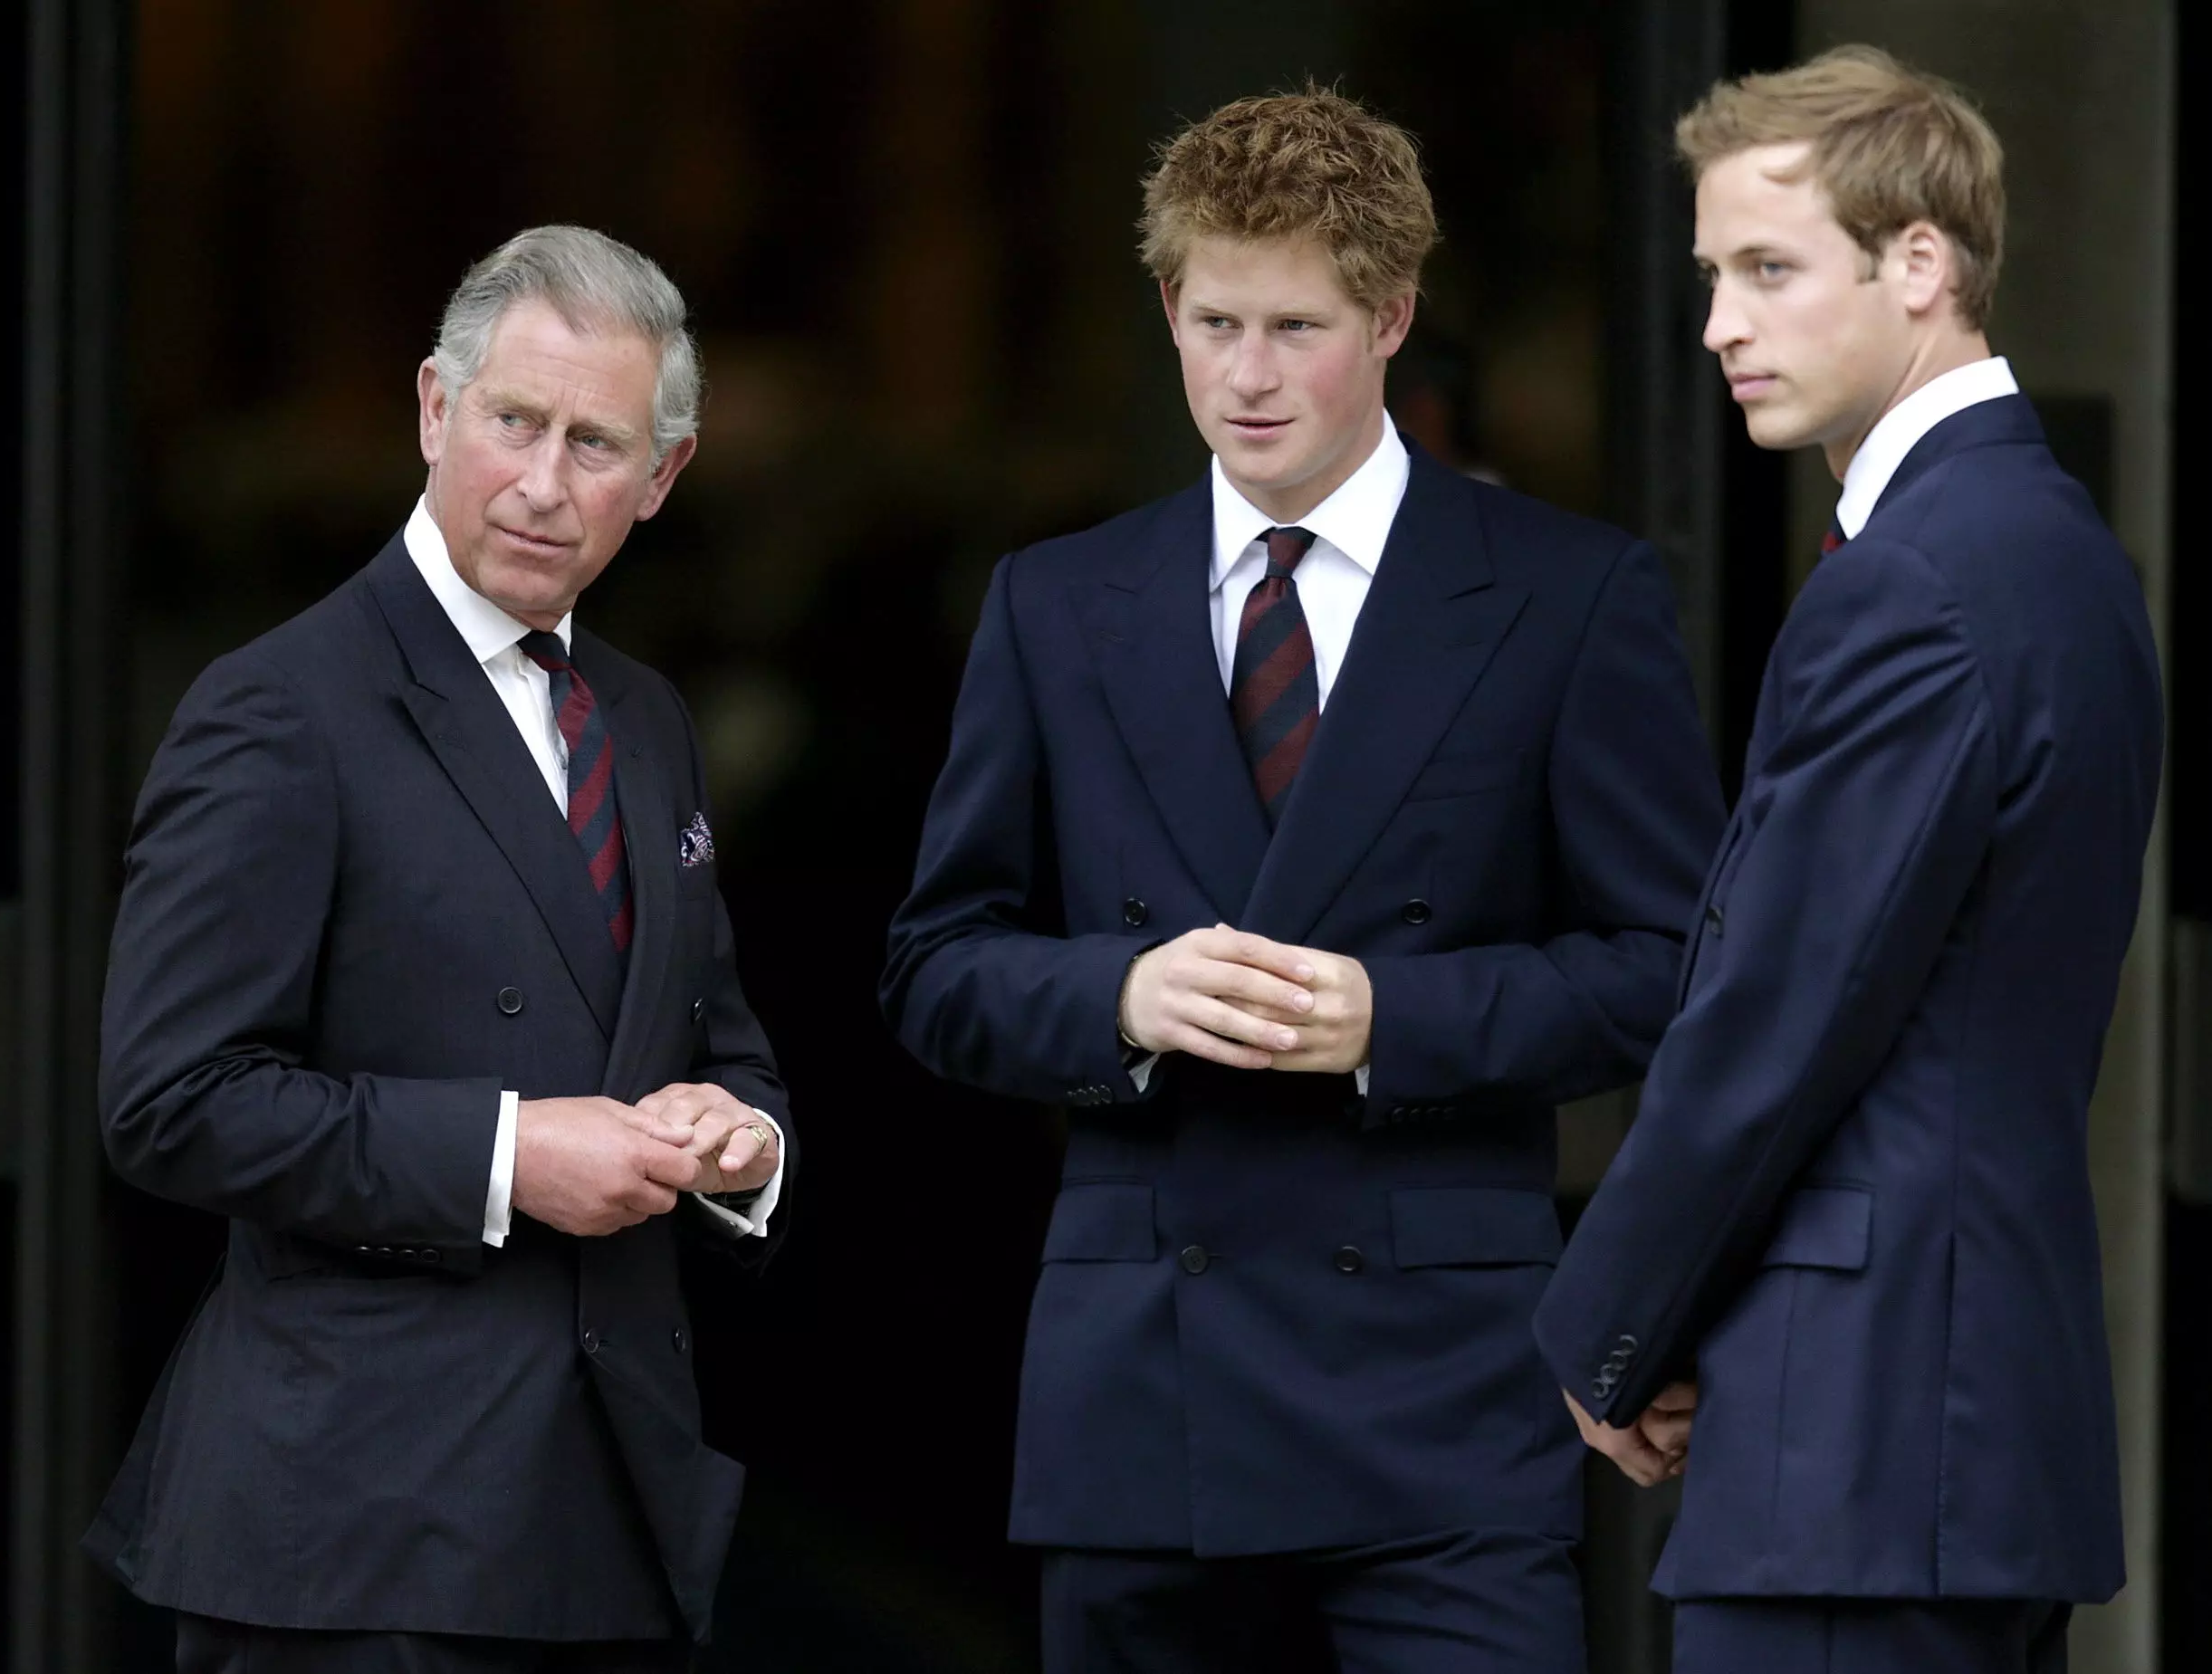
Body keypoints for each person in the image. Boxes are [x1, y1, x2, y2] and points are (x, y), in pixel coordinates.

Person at [881, 87, 1724, 1673]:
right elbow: (936, 965)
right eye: (1214, 322)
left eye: (1296, 326)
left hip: (1447, 1413)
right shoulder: (1058, 604)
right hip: (1144, 1411)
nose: (1248, 375)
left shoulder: (1564, 595)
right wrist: (1118, 995)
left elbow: (1673, 961)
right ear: (1167, 310)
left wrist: (1390, 1020)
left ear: (1393, 316)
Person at [83, 225, 794, 1670]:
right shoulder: (280, 705)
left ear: (663, 478)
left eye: (595, 443)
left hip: (606, 1517)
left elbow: (711, 1036)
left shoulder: (647, 720)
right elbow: (169, 1100)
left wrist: (746, 1142)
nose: (542, 483)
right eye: (511, 420)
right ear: (431, 409)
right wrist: (508, 1155)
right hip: (352, 1538)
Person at [1534, 47, 2162, 1674]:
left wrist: (1606, 1335)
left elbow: (1781, 1014)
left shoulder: (1922, 582)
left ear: (1921, 266)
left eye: (1766, 270)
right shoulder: (2056, 553)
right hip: (1950, 1437)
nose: (1719, 326)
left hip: (1859, 1442)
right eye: (1710, 276)